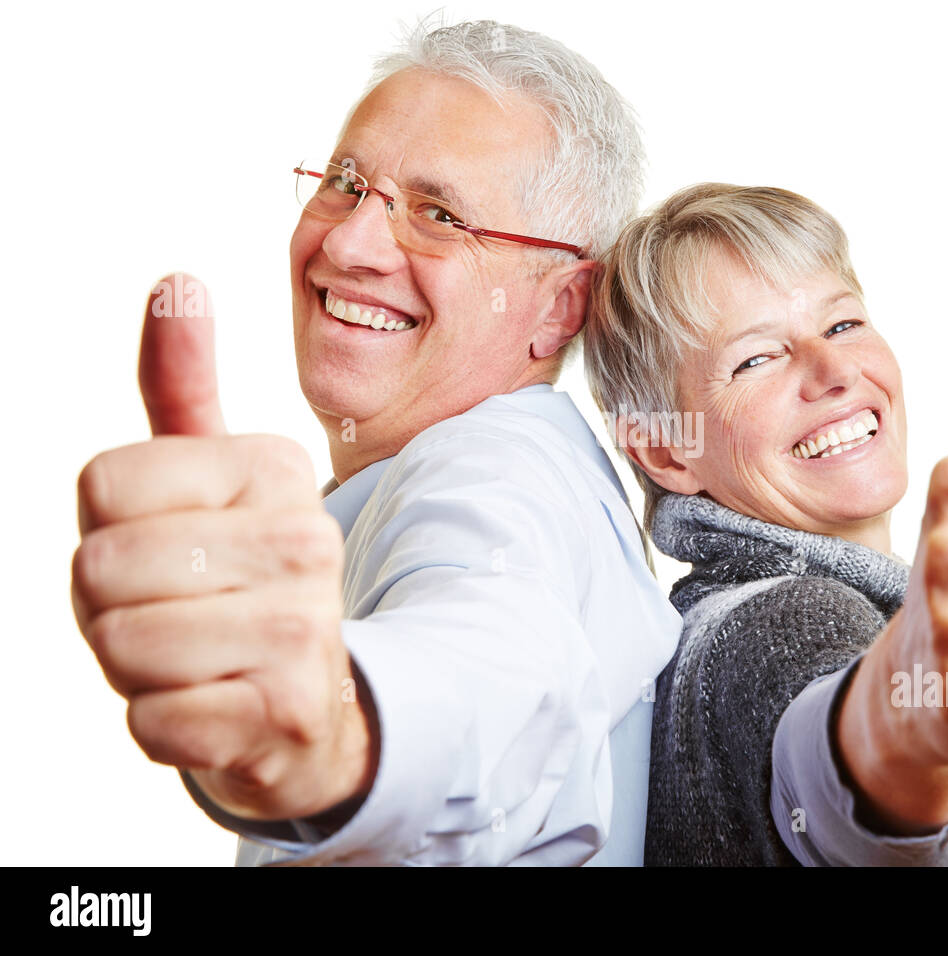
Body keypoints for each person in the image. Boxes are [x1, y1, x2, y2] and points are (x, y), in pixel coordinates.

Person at [70, 17, 681, 866]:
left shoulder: (497, 473)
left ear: (558, 309)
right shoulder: (454, 474)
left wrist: (334, 740)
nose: (350, 243)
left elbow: (496, 660)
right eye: (345, 184)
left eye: (439, 215)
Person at [583, 183, 948, 865]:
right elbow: (845, 769)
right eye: (756, 359)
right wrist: (917, 720)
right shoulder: (776, 623)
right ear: (663, 448)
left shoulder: (705, 628)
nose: (834, 371)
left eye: (842, 325)